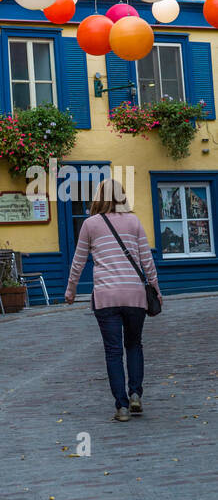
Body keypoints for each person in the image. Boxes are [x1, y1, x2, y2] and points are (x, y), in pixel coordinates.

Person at [65, 178, 162, 422]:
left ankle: (121, 406)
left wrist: (71, 290)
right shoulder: (134, 221)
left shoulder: (90, 224)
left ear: (99, 198)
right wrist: (156, 289)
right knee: (134, 345)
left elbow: (78, 261)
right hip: (134, 295)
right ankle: (136, 394)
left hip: (106, 296)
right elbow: (146, 260)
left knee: (113, 351)